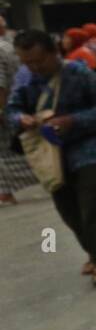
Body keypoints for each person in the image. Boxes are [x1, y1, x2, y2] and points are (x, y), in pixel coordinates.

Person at [5, 30, 96, 286]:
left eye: (39, 61)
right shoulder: (25, 77)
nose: (34, 67)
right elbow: (12, 109)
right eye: (28, 62)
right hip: (51, 153)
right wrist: (20, 119)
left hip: (88, 147)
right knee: (67, 208)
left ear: (54, 53)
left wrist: (73, 120)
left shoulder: (79, 73)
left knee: (92, 203)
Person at [0, 32, 38, 204]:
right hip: (18, 103)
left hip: (7, 106)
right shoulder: (7, 46)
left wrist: (1, 110)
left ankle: (5, 193)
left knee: (9, 151)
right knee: (14, 150)